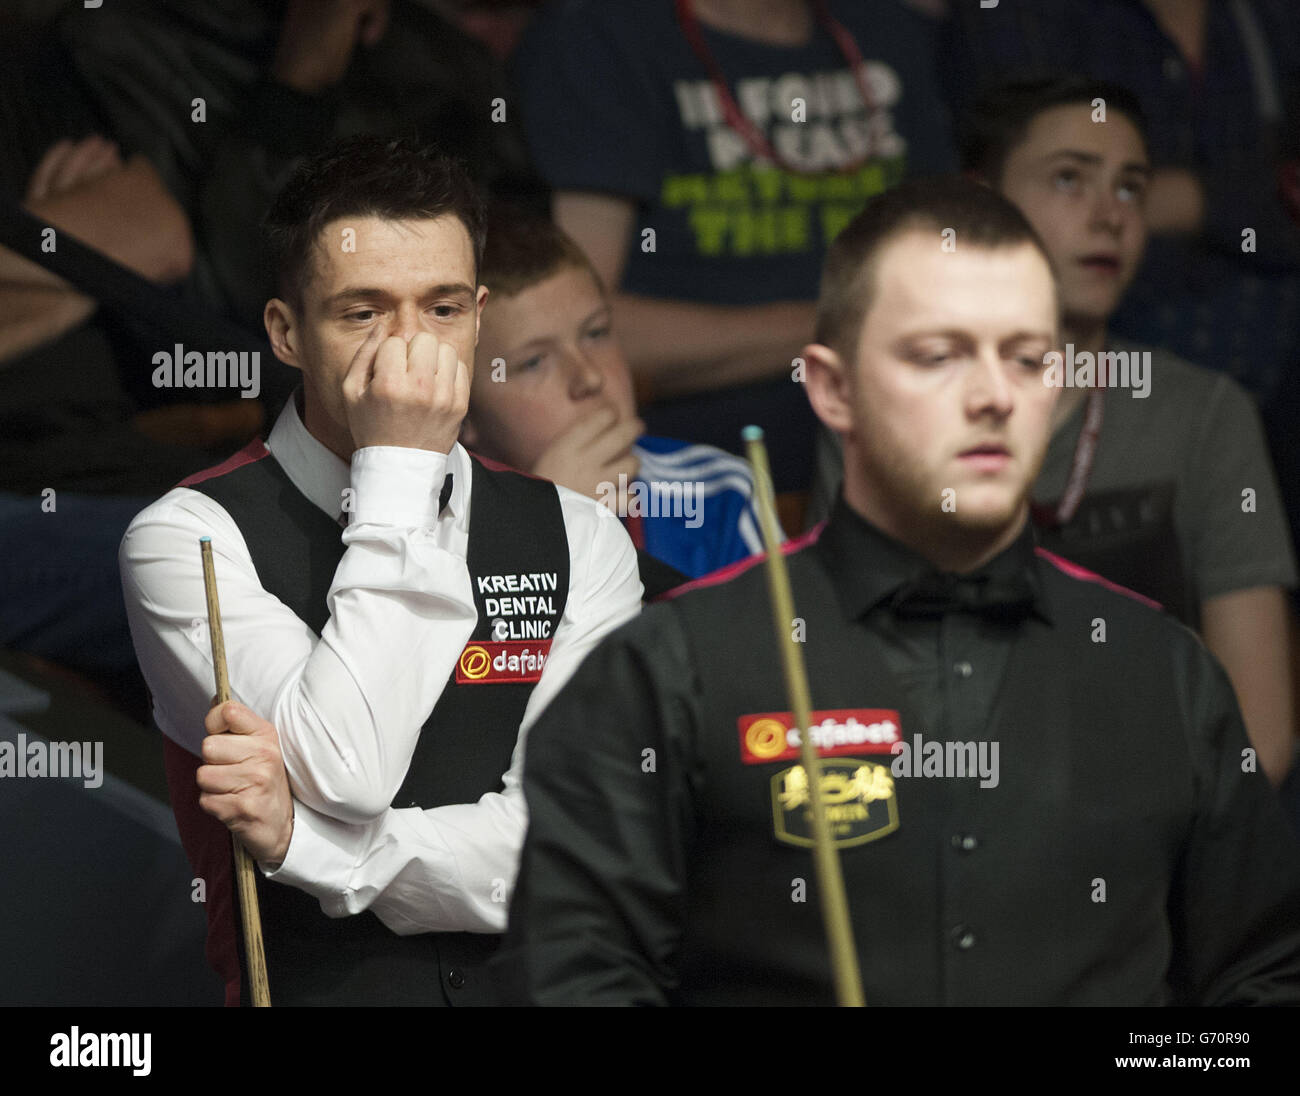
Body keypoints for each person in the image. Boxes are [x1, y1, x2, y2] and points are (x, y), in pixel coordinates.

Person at [494, 177, 1300, 1005]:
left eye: (1026, 357)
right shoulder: (671, 668)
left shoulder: (1162, 672)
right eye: (937, 355)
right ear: (833, 389)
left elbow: (1261, 980)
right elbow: (572, 980)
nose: (992, 396)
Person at [119, 136, 642, 1006]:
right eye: (364, 313)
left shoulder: (581, 535)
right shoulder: (188, 539)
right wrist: (398, 466)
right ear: (286, 332)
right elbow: (347, 766)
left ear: (479, 316)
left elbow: (569, 858)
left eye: (442, 310)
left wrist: (316, 847)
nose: (410, 351)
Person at [812, 76, 1298, 785]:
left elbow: (1263, 736)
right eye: (1069, 179)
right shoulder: (890, 400)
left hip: (1156, 842)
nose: (1109, 216)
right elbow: (853, 691)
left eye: (1130, 188)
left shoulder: (1203, 413)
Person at [511, 0, 954, 496]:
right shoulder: (601, 36)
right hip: (686, 492)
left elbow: (951, 272)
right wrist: (848, 323)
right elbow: (578, 328)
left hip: (907, 464)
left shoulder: (892, 30)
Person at [462, 207, 767, 596]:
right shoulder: (433, 529)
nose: (589, 377)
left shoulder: (716, 496)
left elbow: (769, 655)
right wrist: (547, 529)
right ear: (463, 409)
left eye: (596, 333)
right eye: (534, 362)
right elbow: (479, 658)